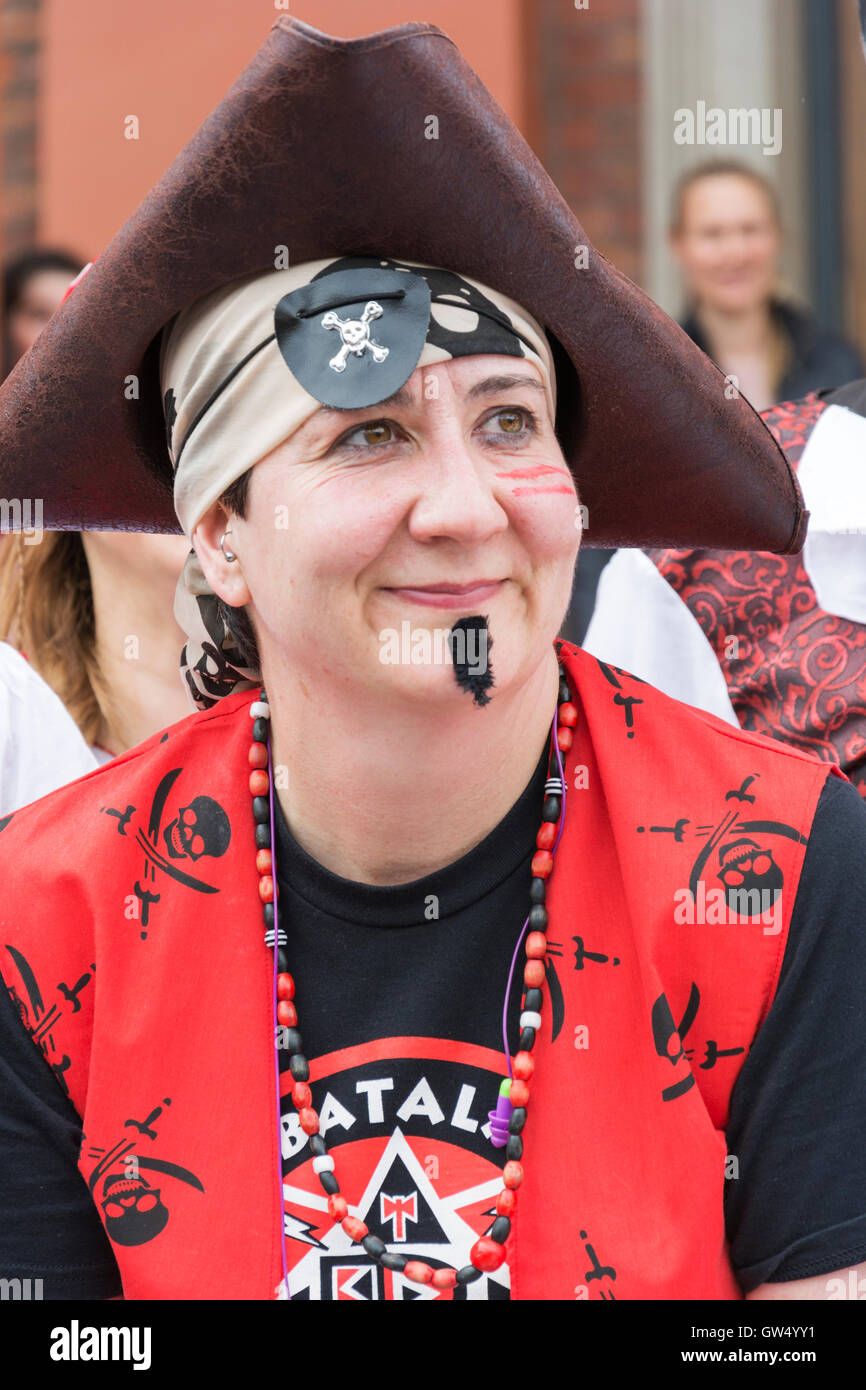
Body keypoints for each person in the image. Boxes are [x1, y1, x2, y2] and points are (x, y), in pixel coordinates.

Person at [0, 16, 864, 1303]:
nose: (465, 508)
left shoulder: (780, 870)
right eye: (367, 438)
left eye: (509, 420)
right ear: (222, 534)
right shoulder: (45, 917)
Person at [671, 159, 863, 411]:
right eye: (712, 233)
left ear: (778, 237)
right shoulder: (660, 372)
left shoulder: (839, 367)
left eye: (750, 230)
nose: (736, 252)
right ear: (678, 245)